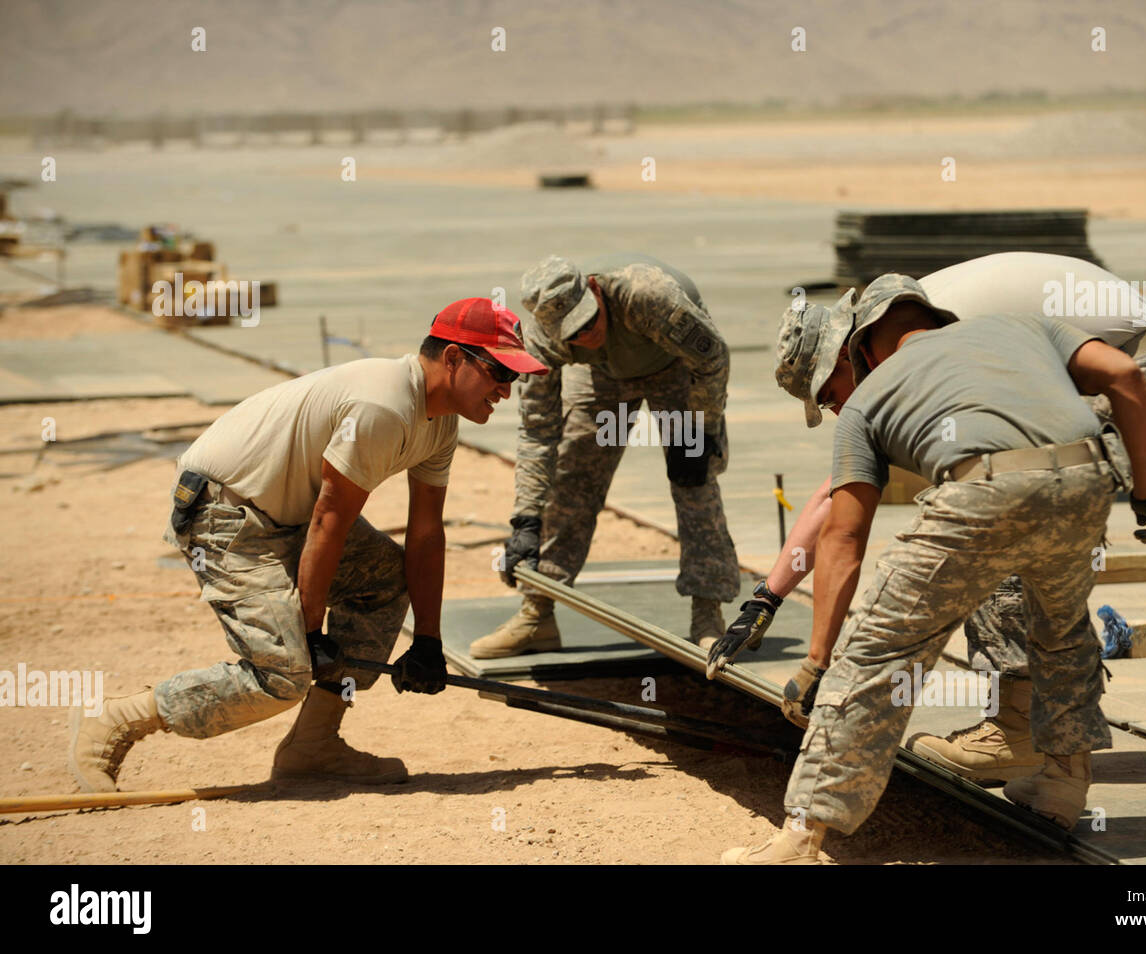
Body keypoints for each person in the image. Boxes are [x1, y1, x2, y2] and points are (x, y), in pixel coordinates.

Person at [721, 274, 1146, 863]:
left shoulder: (869, 396)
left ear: (852, 351)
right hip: (1087, 478)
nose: (835, 407)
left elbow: (845, 535)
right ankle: (1062, 787)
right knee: (1062, 635)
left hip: (982, 492)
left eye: (827, 394)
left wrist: (815, 662)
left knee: (876, 654)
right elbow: (1126, 376)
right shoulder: (1022, 327)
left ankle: (801, 838)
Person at [68, 298, 547, 792]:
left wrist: (428, 640)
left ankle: (312, 746)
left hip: (290, 514)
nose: (506, 391)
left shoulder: (440, 421)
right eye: (497, 372)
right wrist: (312, 633)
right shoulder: (382, 406)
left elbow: (426, 532)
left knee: (384, 581)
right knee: (285, 673)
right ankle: (119, 719)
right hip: (227, 511)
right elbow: (329, 521)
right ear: (452, 359)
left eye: (512, 377)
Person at [470, 254, 740, 659]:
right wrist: (525, 520)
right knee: (573, 476)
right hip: (603, 377)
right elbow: (537, 431)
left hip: (673, 364)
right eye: (573, 333)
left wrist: (702, 427)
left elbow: (711, 357)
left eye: (589, 322)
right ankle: (537, 613)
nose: (585, 334)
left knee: (693, 479)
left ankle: (708, 615)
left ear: (594, 290)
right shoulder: (544, 340)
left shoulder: (648, 296)